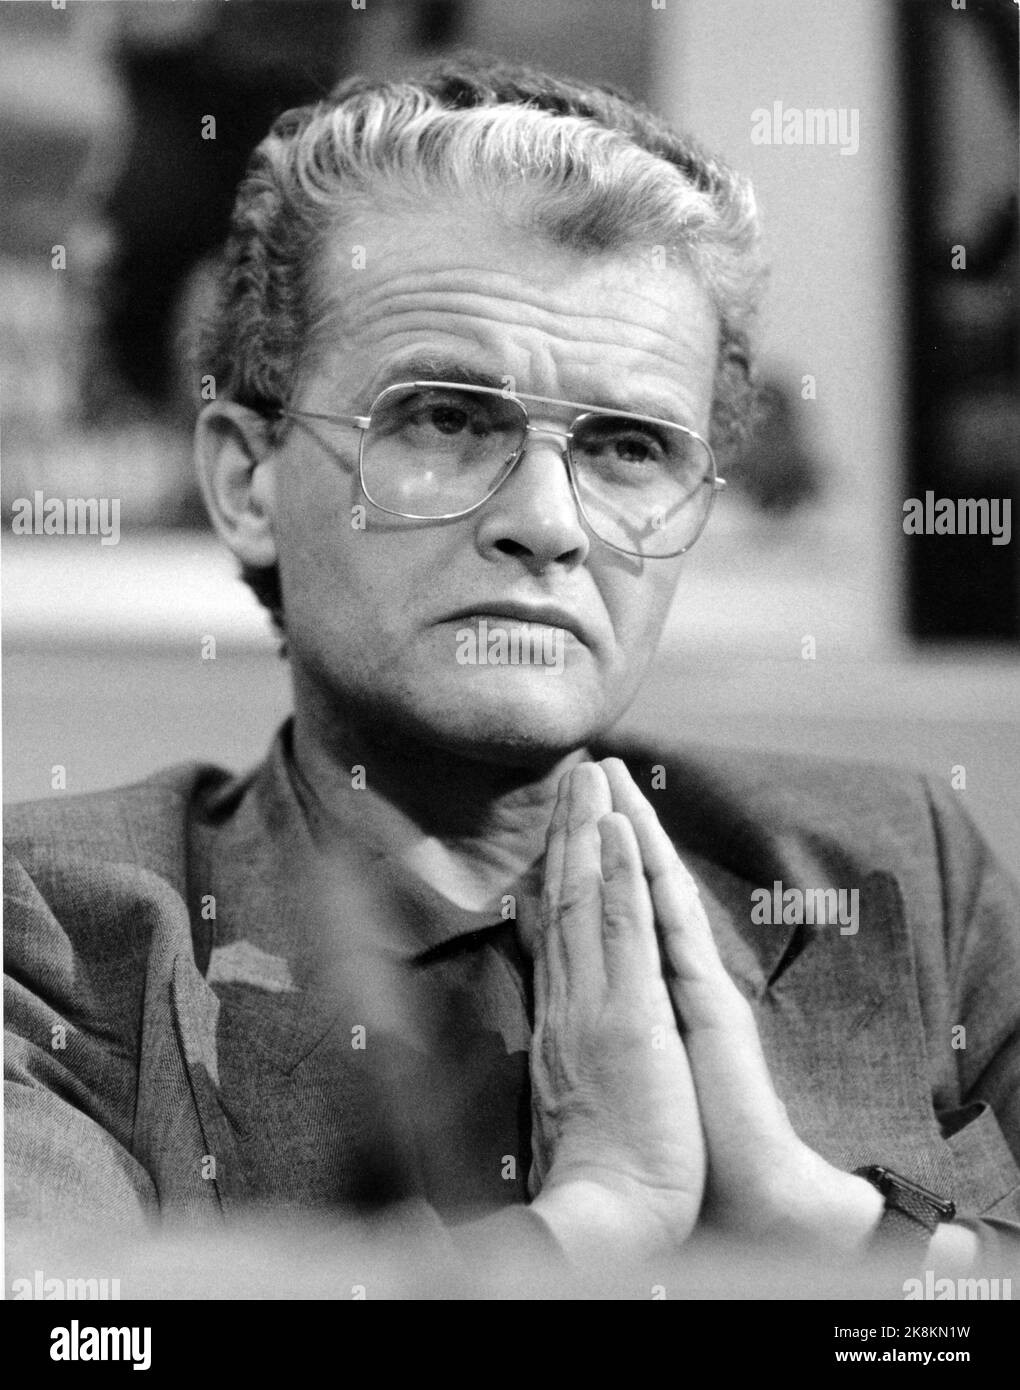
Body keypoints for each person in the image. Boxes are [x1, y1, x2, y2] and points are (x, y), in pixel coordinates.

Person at [5, 55, 1019, 1292]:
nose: (549, 521)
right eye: (443, 418)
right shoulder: (58, 931)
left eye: (631, 445)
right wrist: (595, 1221)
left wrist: (833, 1233)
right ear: (246, 480)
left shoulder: (898, 875)